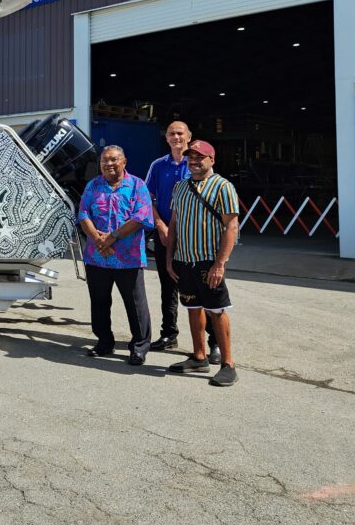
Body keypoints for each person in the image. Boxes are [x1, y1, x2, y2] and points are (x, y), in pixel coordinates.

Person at [165, 140, 240, 387]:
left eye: (200, 157)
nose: (194, 162)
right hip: (184, 259)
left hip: (209, 260)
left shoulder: (223, 187)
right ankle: (199, 356)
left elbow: (231, 226)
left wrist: (220, 264)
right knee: (192, 307)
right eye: (191, 158)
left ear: (212, 160)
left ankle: (228, 364)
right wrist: (169, 258)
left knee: (217, 310)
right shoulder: (180, 187)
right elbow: (174, 224)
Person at [144, 122, 218, 362]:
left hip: (196, 238)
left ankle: (214, 343)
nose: (176, 137)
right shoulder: (157, 166)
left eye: (180, 133)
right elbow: (148, 199)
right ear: (166, 138)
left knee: (203, 289)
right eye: (171, 133)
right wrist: (160, 225)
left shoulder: (196, 163)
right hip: (166, 234)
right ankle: (169, 334)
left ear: (189, 136)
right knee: (169, 287)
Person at [77, 145, 154, 366]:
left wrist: (111, 237)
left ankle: (139, 347)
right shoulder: (93, 185)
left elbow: (140, 217)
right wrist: (98, 240)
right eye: (104, 161)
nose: (108, 164)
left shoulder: (137, 186)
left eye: (113, 160)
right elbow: (83, 214)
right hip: (97, 257)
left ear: (124, 161)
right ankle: (104, 342)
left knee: (135, 304)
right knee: (99, 301)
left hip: (128, 259)